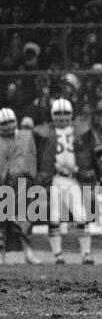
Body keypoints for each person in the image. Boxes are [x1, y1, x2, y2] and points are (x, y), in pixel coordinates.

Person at [35, 97, 102, 265]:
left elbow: (90, 154)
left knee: (81, 216)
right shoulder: (43, 132)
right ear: (52, 115)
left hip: (73, 179)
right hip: (54, 179)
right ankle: (58, 255)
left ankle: (86, 254)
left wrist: (83, 170)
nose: (62, 117)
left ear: (71, 114)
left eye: (65, 114)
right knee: (54, 217)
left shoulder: (81, 131)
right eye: (58, 114)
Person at [0, 107, 41, 264]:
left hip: (23, 185)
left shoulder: (26, 137)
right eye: (4, 123)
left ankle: (28, 253)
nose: (8, 126)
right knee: (2, 222)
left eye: (10, 122)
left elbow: (31, 159)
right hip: (3, 186)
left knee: (24, 221)